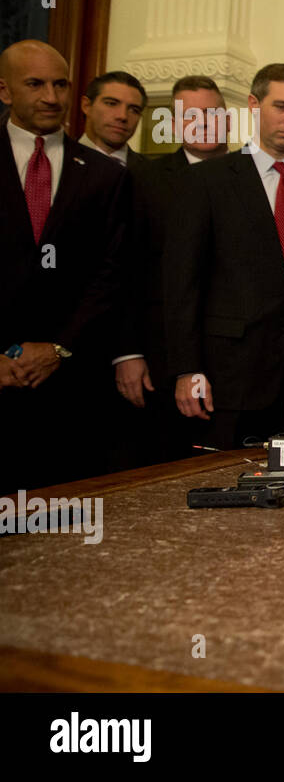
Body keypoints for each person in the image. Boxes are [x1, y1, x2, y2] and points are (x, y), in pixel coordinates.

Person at [164, 63, 284, 450]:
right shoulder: (206, 180)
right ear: (254, 105)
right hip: (226, 376)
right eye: (282, 106)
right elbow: (182, 283)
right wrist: (187, 369)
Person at [0, 40, 130, 491]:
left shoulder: (105, 175)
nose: (51, 97)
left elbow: (111, 275)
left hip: (71, 388)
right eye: (35, 84)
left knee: (62, 527)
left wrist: (58, 347)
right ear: (5, 90)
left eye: (60, 84)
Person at [112, 76, 229, 464]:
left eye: (212, 113)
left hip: (234, 361)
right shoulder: (143, 180)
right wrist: (127, 352)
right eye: (191, 115)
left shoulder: (251, 176)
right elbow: (126, 271)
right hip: (159, 360)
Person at [79, 70, 146, 168]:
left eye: (134, 110)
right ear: (87, 106)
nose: (122, 116)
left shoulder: (154, 174)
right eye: (111, 104)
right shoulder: (57, 159)